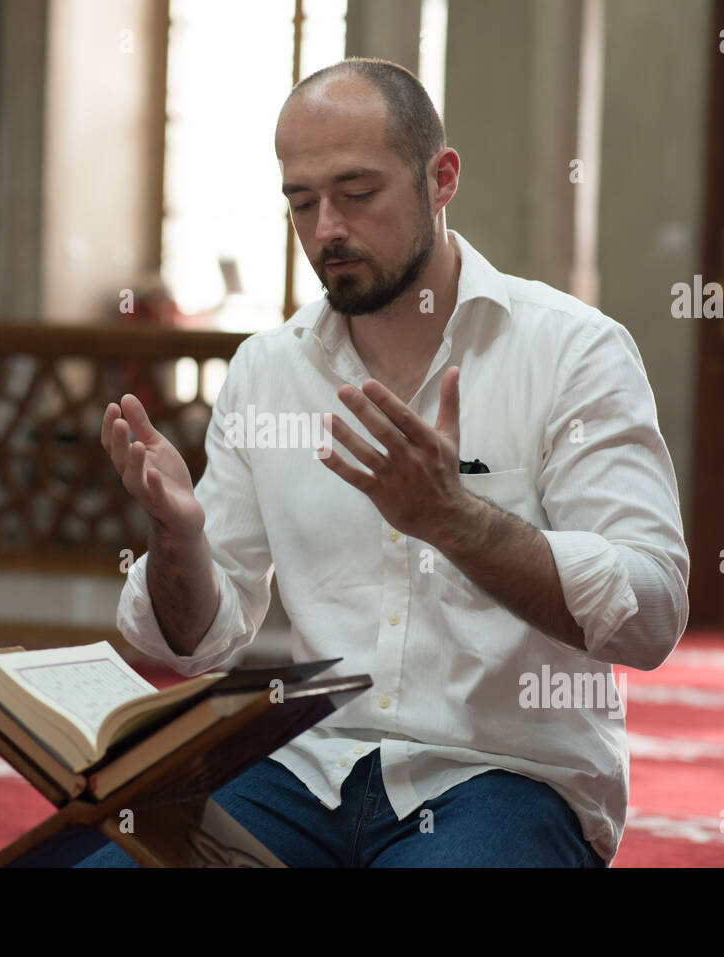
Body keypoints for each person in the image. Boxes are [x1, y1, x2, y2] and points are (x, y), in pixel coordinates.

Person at [80, 57, 688, 867]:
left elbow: (652, 612)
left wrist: (456, 521)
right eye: (302, 203)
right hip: (307, 768)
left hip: (502, 777)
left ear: (442, 178)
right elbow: (199, 642)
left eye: (357, 193)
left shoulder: (572, 352)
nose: (326, 228)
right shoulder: (269, 370)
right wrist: (177, 539)